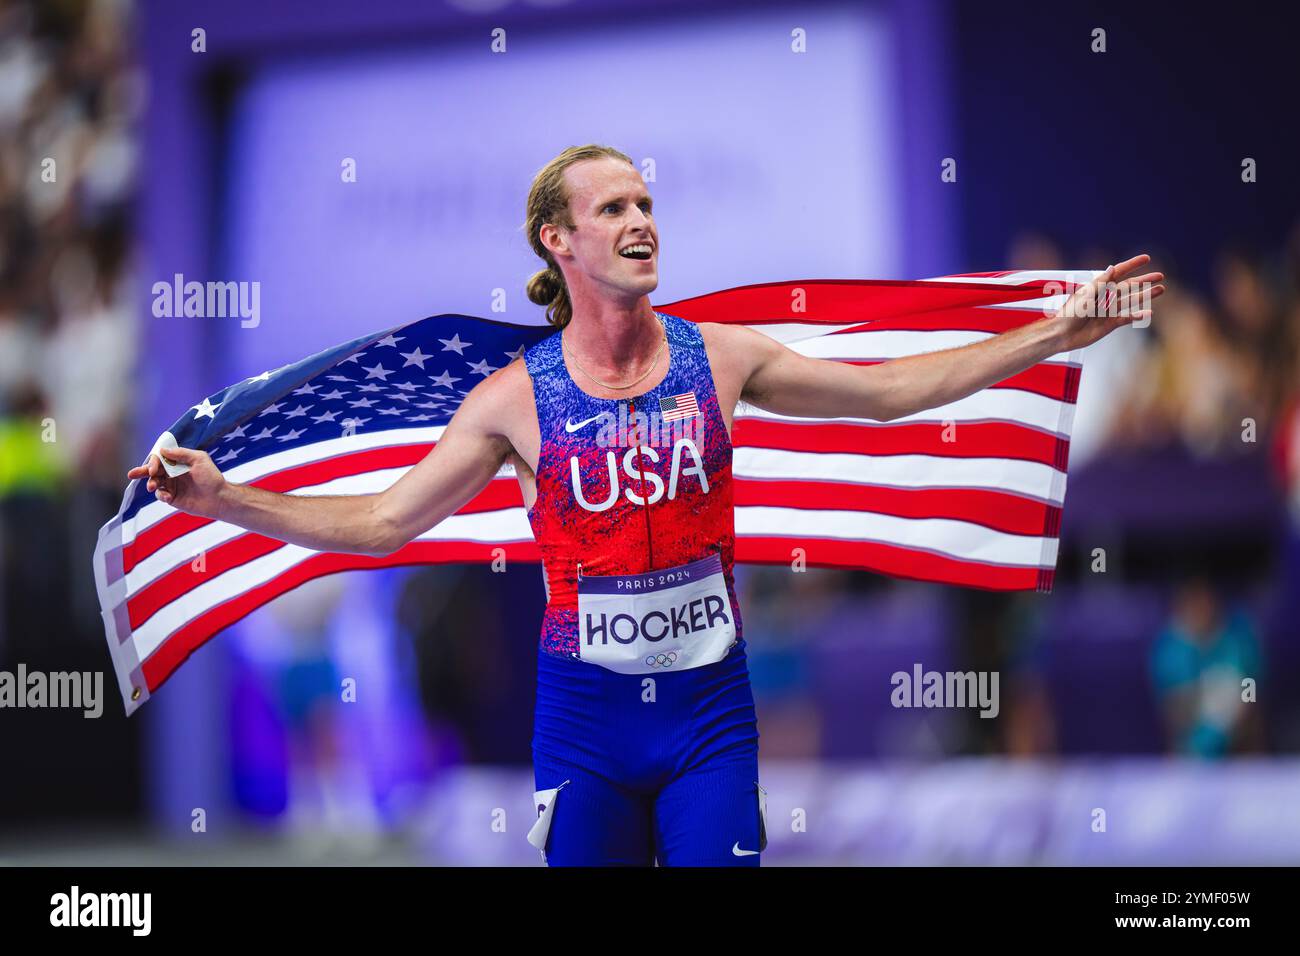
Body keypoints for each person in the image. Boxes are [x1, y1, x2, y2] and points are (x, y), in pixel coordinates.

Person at [128, 143, 1164, 866]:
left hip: (710, 717)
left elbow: (891, 396)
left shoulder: (723, 359)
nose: (639, 222)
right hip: (584, 726)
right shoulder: (511, 401)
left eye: (646, 203)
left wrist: (1049, 336)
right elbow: (379, 523)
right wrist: (222, 497)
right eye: (613, 208)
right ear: (557, 242)